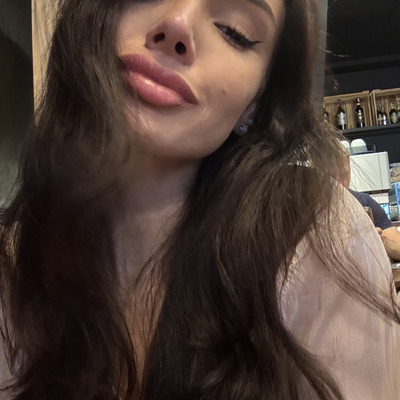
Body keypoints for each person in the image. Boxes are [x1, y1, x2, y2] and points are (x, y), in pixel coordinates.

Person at [0, 0, 399, 399]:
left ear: (254, 105)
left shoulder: (320, 239)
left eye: (233, 31)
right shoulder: (14, 265)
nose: (177, 24)